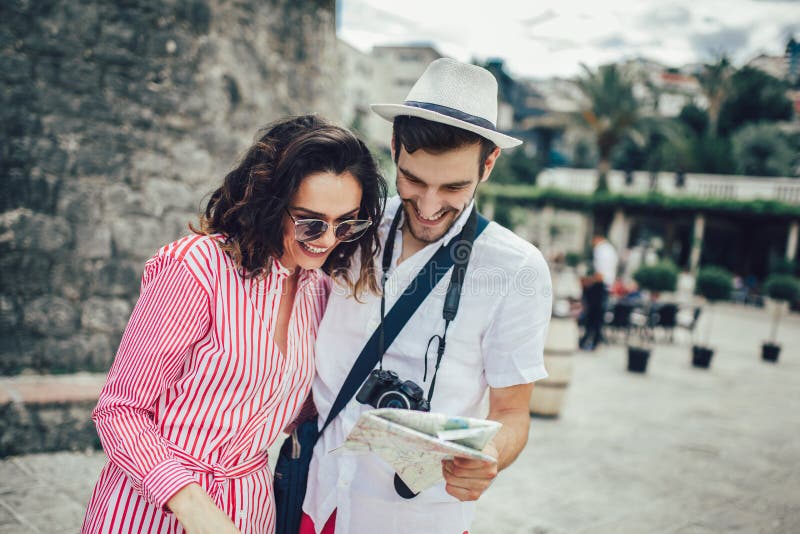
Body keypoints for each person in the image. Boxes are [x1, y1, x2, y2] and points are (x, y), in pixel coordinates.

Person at [81, 115, 387, 534]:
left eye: (346, 222)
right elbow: (120, 410)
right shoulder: (196, 269)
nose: (329, 239)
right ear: (271, 204)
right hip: (154, 508)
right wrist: (193, 506)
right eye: (311, 222)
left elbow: (295, 409)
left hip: (251, 510)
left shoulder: (319, 292)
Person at [301, 59, 553, 534]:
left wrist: (489, 458)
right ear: (394, 147)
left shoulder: (517, 269)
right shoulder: (352, 227)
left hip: (417, 518)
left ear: (489, 164)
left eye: (454, 186)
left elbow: (512, 413)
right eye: (413, 180)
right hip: (316, 496)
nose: (431, 205)